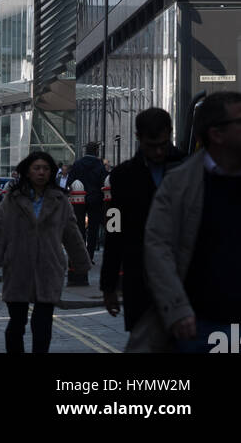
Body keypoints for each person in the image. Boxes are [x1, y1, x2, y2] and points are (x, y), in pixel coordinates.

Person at [138, 90, 241, 354]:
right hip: (199, 324)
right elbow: (157, 247)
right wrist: (177, 309)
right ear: (216, 134)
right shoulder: (179, 183)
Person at [0, 150, 91, 354]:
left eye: (46, 169)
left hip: (49, 269)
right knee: (16, 323)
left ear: (51, 172)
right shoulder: (12, 200)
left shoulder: (60, 200)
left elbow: (72, 234)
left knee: (43, 324)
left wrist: (82, 263)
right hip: (18, 269)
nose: (41, 172)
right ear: (28, 172)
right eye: (37, 168)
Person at [100, 107, 183, 334]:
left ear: (170, 133)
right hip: (140, 277)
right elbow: (114, 229)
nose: (157, 152)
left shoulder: (189, 168)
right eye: (151, 145)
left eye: (163, 145)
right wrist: (109, 286)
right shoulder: (122, 176)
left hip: (184, 276)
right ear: (138, 138)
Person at [66, 140, 106, 261]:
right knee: (93, 228)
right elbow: (103, 182)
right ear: (96, 151)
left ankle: (81, 252)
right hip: (95, 199)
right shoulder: (99, 165)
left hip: (79, 200)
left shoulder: (78, 164)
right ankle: (90, 255)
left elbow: (70, 182)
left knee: (80, 227)